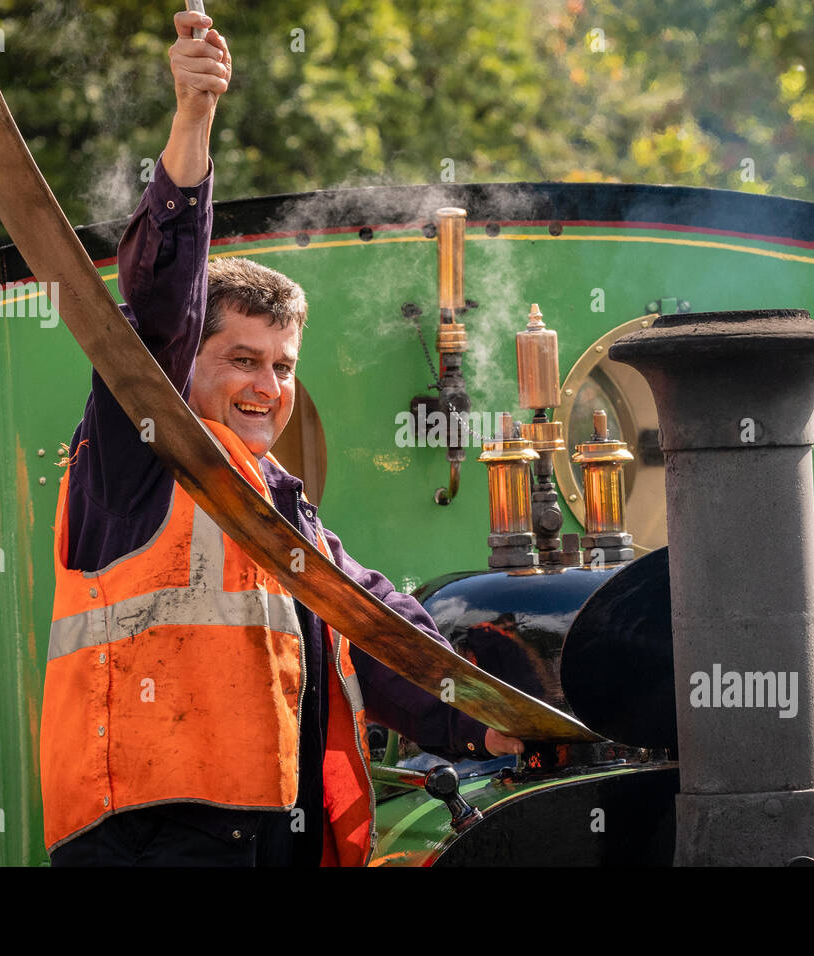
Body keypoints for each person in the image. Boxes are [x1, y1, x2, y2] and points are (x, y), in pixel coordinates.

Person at [39, 8, 523, 868]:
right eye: (241, 360)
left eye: (284, 366)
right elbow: (157, 310)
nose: (268, 387)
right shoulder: (134, 457)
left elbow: (373, 623)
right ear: (183, 366)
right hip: (155, 839)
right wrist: (193, 126)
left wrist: (488, 721)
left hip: (266, 836)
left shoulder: (278, 507)